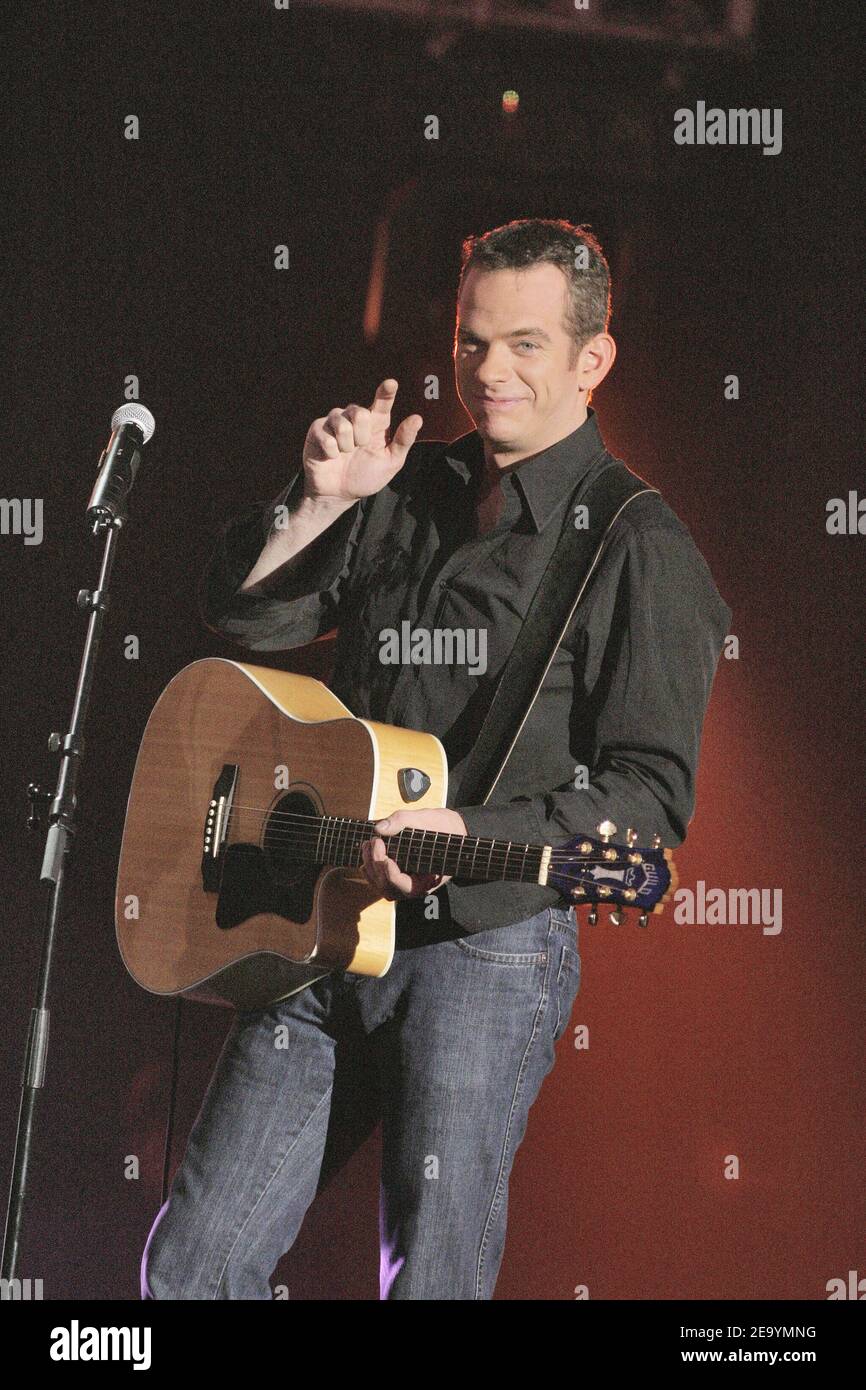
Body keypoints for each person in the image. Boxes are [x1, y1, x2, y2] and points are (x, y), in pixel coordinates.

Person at [141, 217, 731, 1300]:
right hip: (323, 916)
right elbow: (242, 618)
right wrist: (318, 503)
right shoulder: (407, 487)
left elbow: (646, 808)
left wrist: (478, 832)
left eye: (523, 345)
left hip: (483, 954)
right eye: (470, 342)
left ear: (591, 360)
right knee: (191, 1266)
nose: (487, 372)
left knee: (429, 1283)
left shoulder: (638, 547)